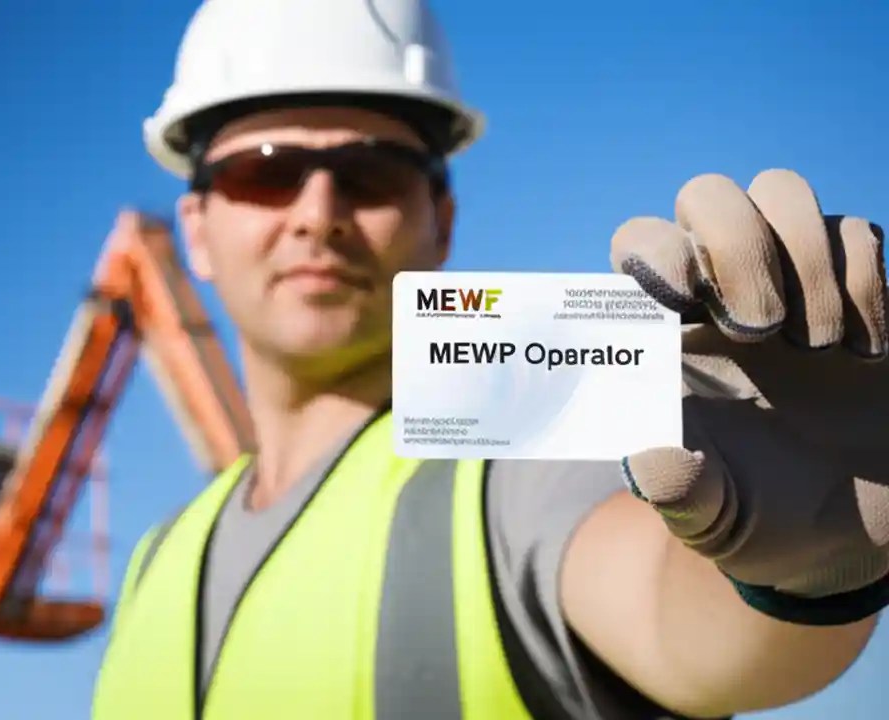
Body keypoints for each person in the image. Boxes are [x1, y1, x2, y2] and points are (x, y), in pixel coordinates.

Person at [91, 1, 889, 718]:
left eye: (372, 172)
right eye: (265, 171)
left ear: (441, 221)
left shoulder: (513, 465)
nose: (318, 211)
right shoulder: (155, 564)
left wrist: (804, 576)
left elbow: (676, 626)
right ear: (195, 229)